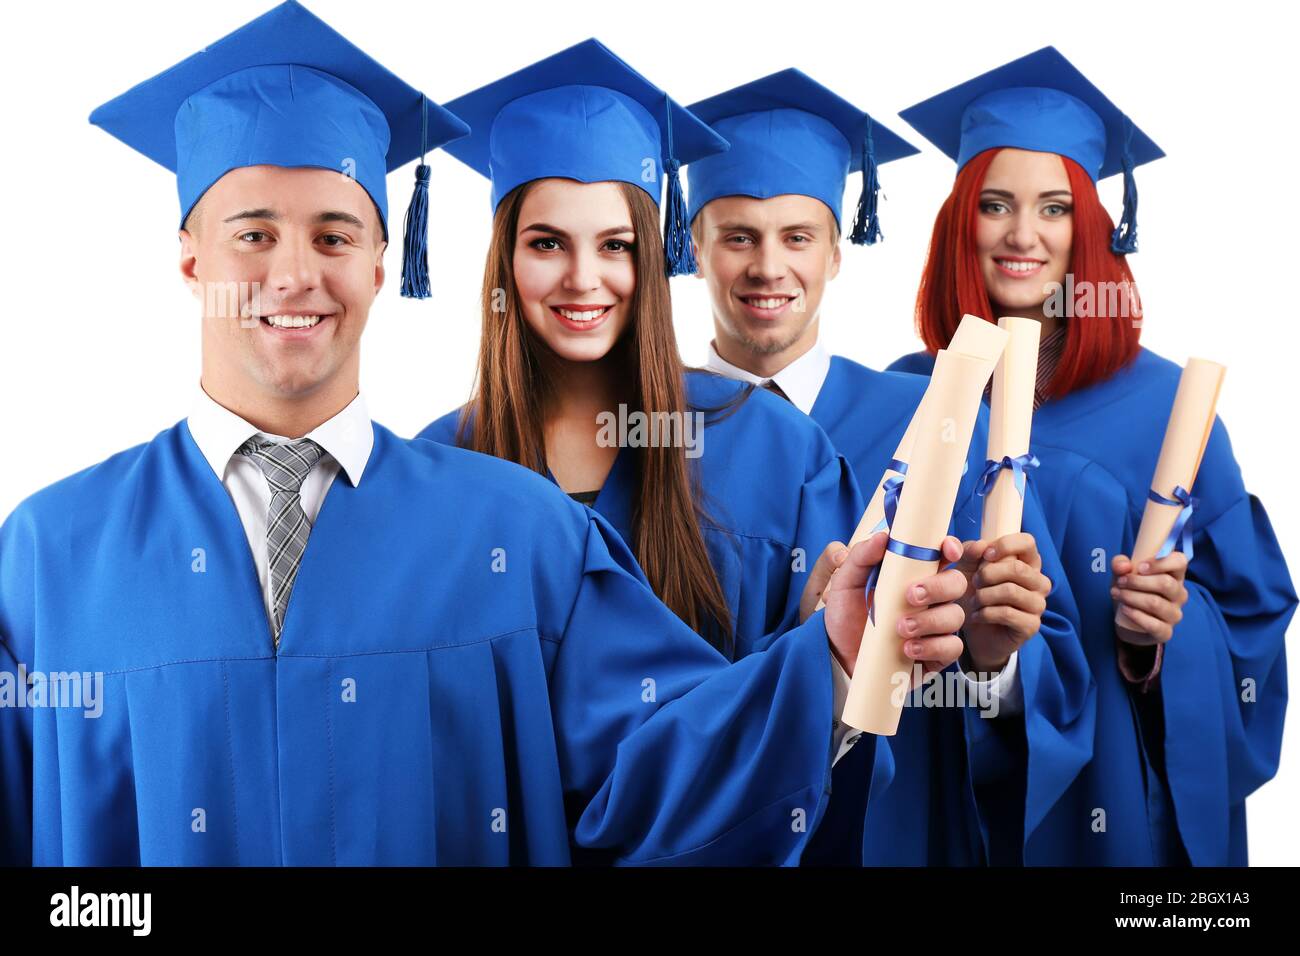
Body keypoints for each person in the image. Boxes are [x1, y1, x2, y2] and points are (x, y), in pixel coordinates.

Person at [0, 1, 972, 867]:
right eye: (254, 232)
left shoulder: (521, 526)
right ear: (188, 256)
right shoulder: (48, 557)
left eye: (334, 234)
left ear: (385, 259)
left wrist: (831, 656)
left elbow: (658, 762)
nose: (295, 272)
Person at [415, 41, 971, 792]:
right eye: (546, 242)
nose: (584, 278)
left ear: (654, 256)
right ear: (503, 261)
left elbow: (839, 735)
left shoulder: (777, 452)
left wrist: (835, 656)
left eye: (616, 244)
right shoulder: (440, 467)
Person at [888, 46, 1294, 865]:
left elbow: (1249, 626)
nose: (1022, 235)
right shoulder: (907, 399)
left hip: (1118, 822)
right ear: (961, 223)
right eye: (995, 205)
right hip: (948, 809)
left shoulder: (1168, 409)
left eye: (1054, 209)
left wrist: (1158, 646)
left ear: (1093, 231)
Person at [684, 68, 1092, 865]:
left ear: (837, 252)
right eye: (738, 236)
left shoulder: (937, 417)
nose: (770, 268)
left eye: (798, 237)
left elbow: (1055, 664)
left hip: (904, 834)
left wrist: (990, 659)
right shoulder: (654, 441)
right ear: (691, 246)